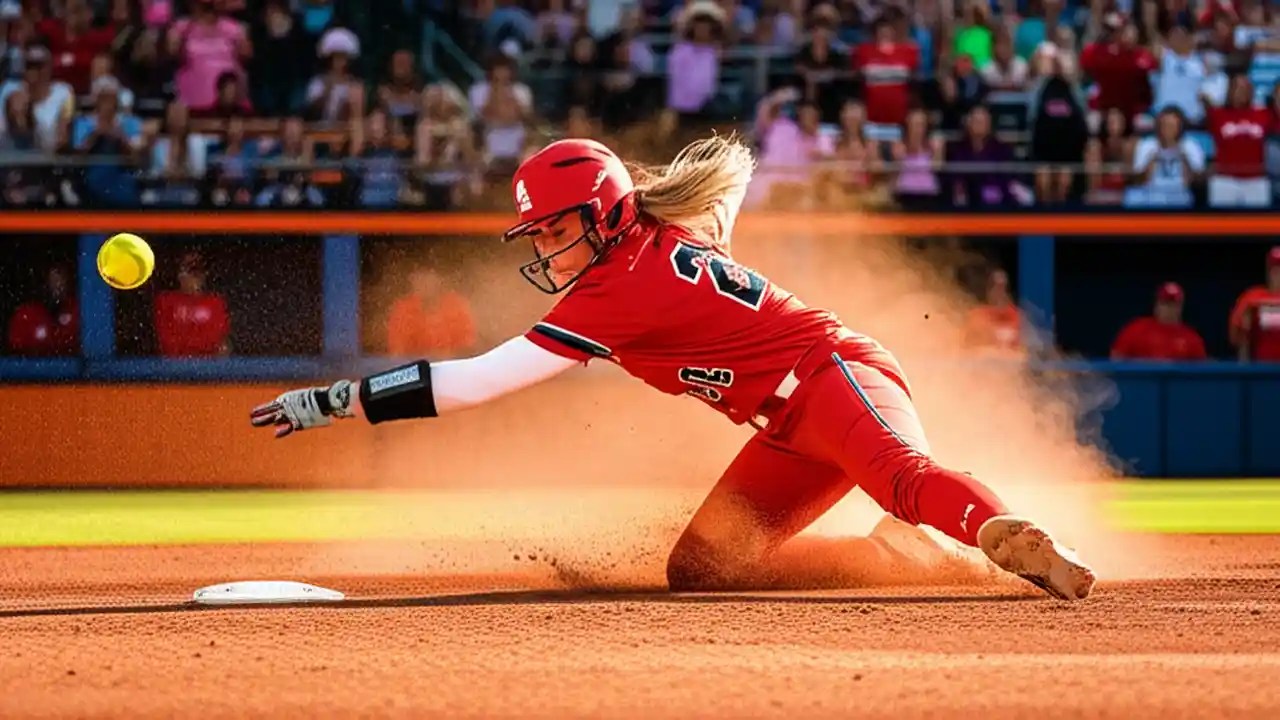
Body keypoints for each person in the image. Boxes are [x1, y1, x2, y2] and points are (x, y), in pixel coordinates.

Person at [250, 136, 1095, 601]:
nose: (546, 245)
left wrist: (338, 400)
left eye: (555, 227)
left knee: (901, 478)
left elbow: (473, 382)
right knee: (702, 571)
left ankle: (1008, 536)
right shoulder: (651, 241)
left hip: (834, 374)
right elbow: (721, 199)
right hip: (789, 424)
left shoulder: (616, 291)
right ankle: (896, 560)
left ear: (608, 215)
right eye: (539, 232)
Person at [1110, 282, 1207, 361]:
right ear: (1156, 305)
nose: (1169, 309)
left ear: (1181, 307)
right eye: (1165, 303)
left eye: (1173, 304)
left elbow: (1202, 370)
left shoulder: (1191, 338)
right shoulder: (1136, 329)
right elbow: (1116, 358)